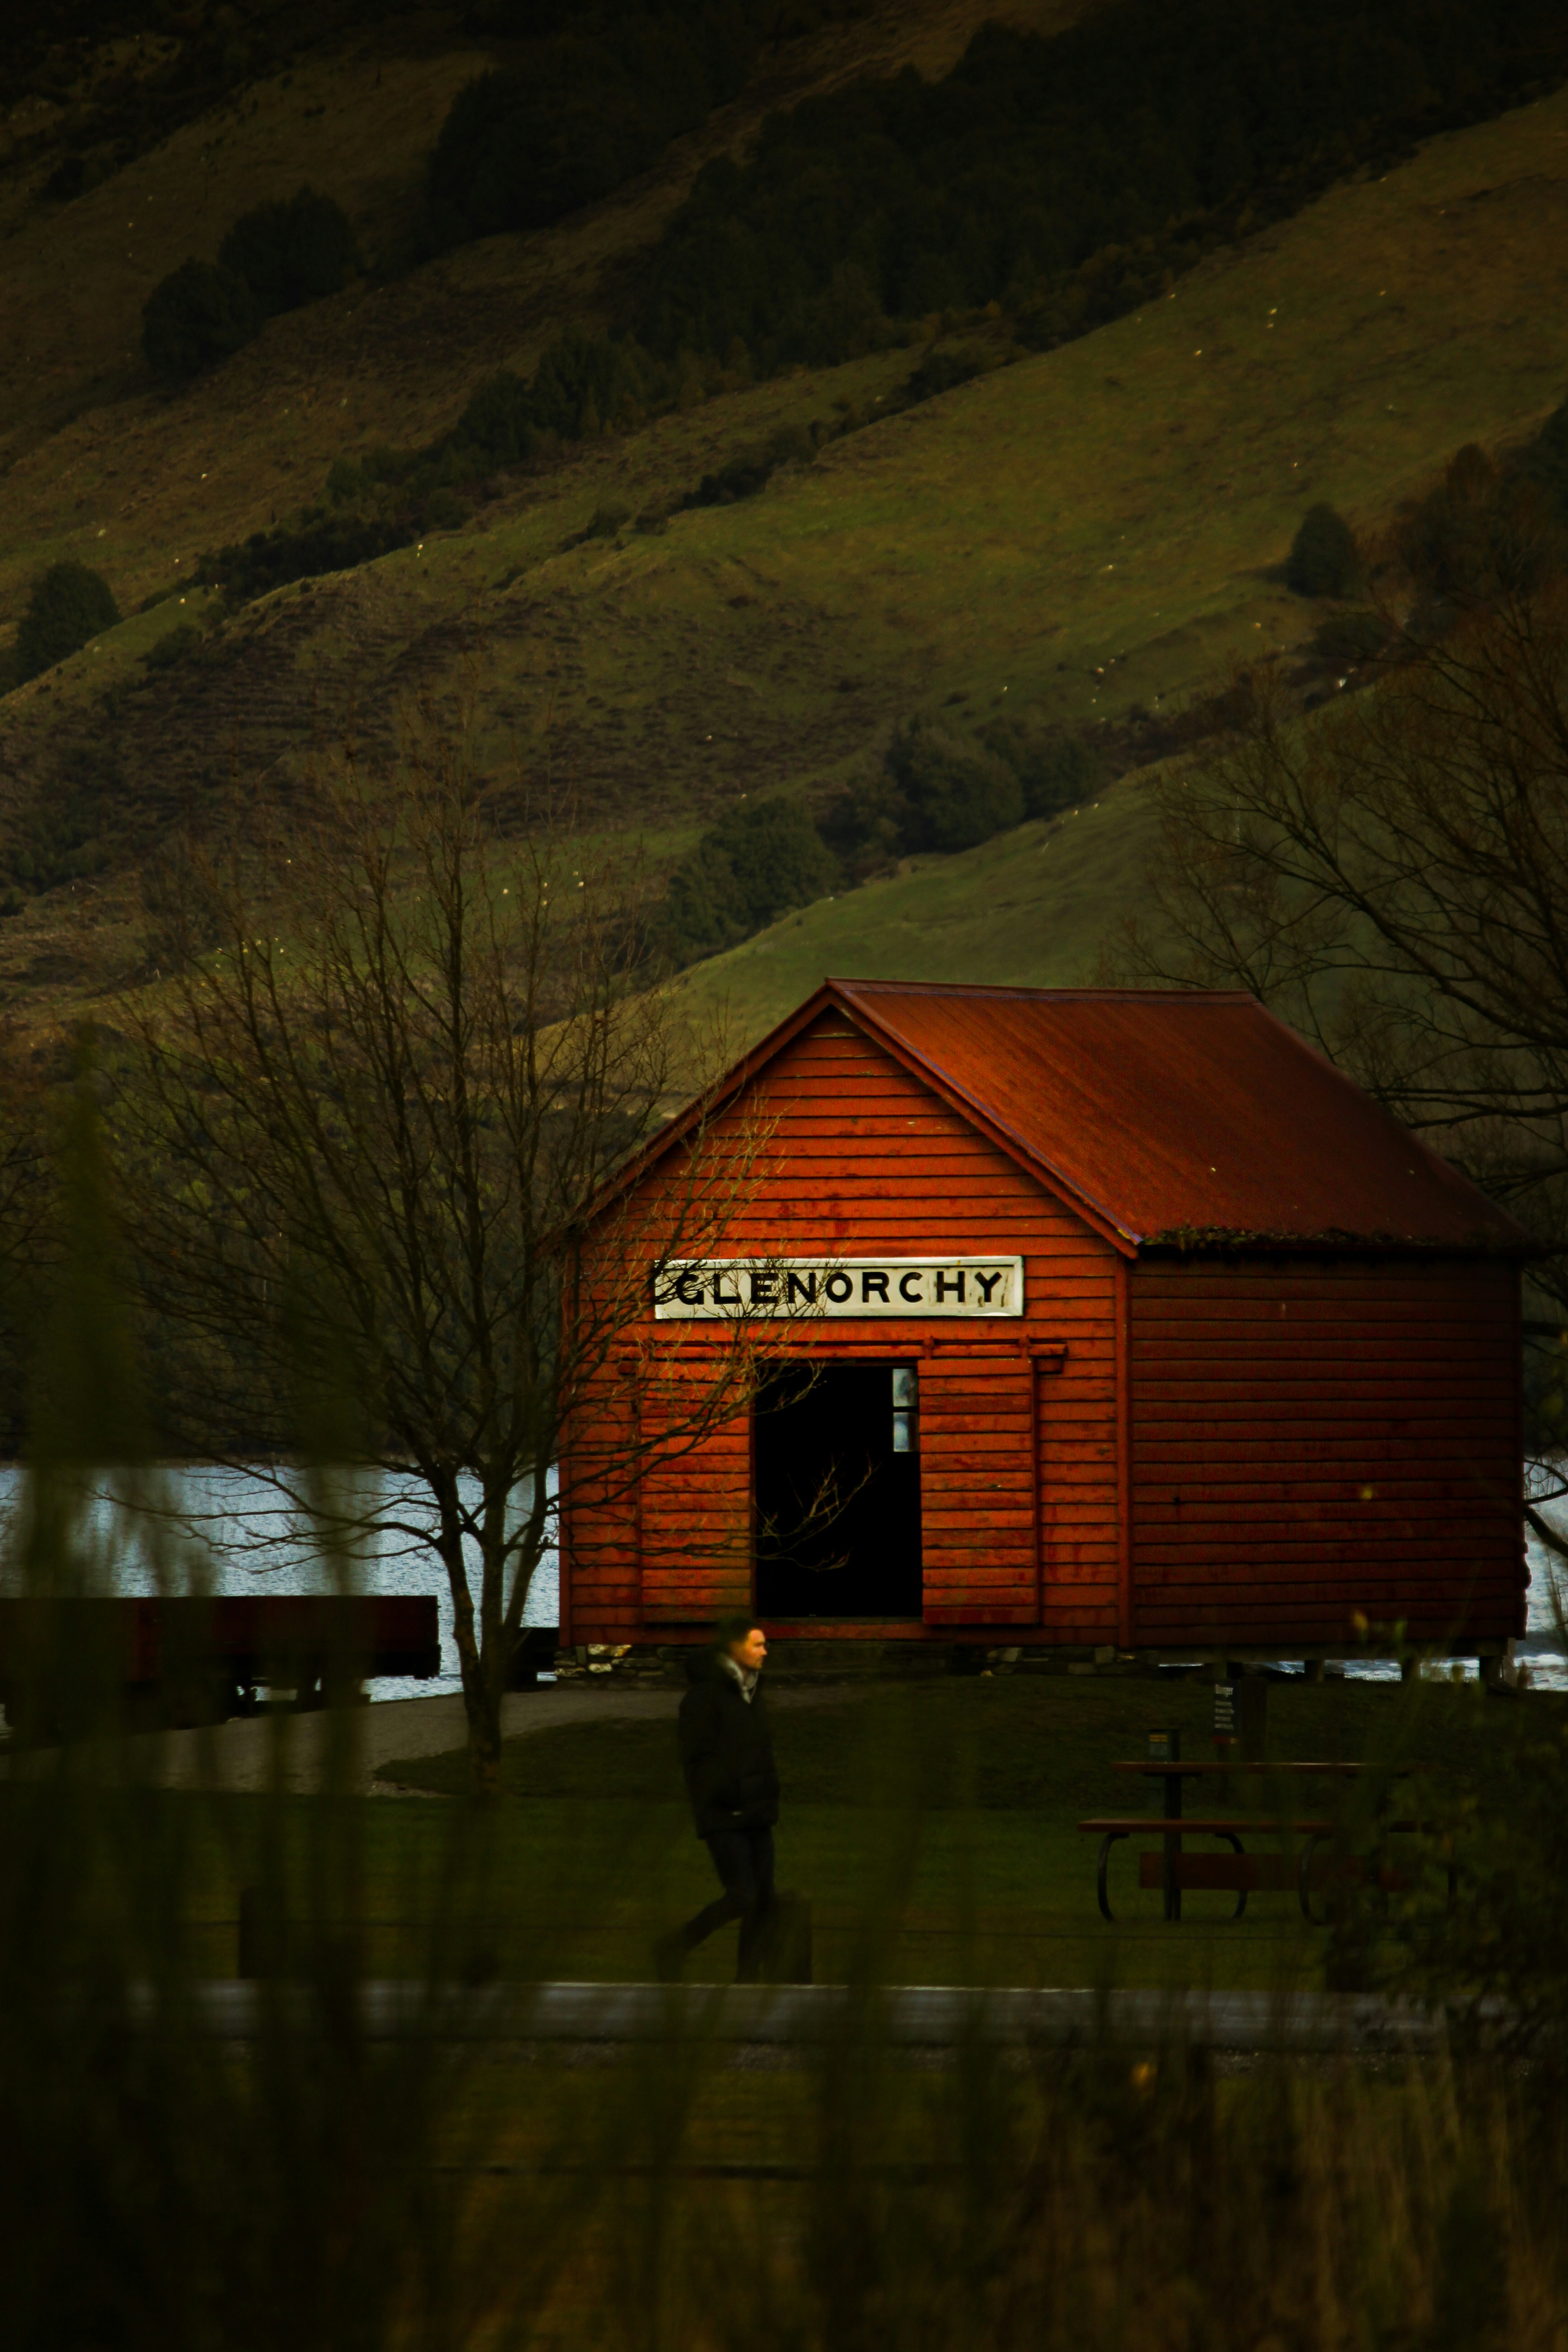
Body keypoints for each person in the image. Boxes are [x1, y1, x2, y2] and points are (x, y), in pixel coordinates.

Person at [656, 1613, 778, 1982]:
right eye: (757, 1644)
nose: (764, 1652)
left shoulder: (751, 1691)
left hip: (757, 1812)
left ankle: (749, 1979)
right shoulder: (703, 1698)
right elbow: (698, 1759)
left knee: (764, 1899)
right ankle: (674, 1947)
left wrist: (768, 1793)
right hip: (725, 1814)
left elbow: (759, 1752)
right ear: (734, 1647)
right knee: (742, 1896)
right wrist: (729, 1795)